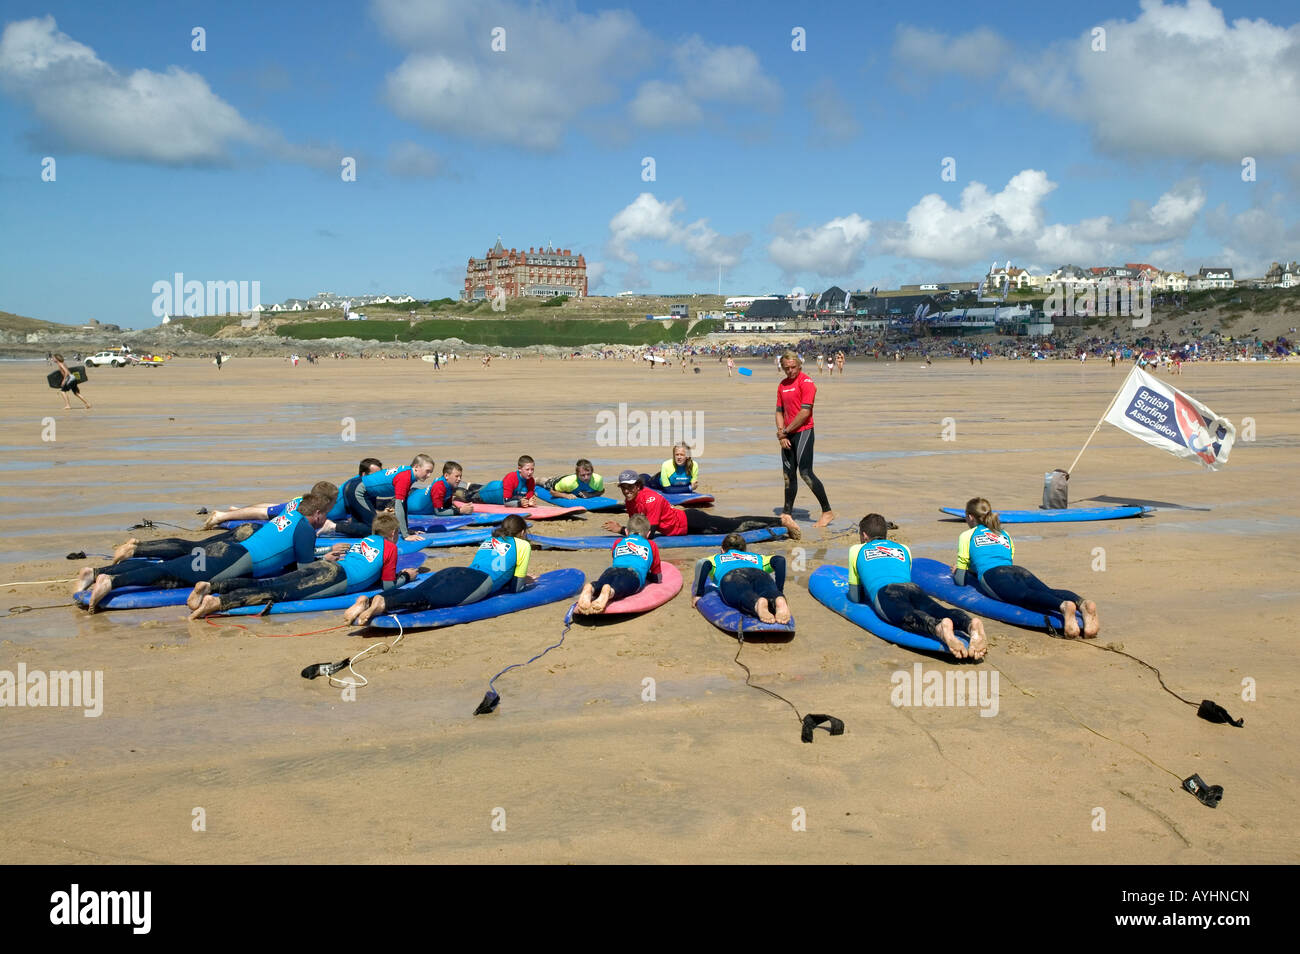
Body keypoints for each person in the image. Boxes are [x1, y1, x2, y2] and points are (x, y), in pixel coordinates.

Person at [77, 493, 333, 612]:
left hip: (228, 549)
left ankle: (98, 572)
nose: (325, 521)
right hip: (232, 561)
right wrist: (328, 558)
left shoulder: (289, 515)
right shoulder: (306, 530)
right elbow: (303, 571)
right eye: (325, 516)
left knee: (174, 567)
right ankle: (111, 581)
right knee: (167, 570)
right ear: (318, 513)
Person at [191, 512, 413, 619]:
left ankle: (213, 586)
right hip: (335, 579)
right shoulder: (391, 548)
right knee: (279, 593)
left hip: (326, 567)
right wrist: (406, 577)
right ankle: (217, 603)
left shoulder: (364, 540)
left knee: (273, 583)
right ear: (393, 534)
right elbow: (387, 587)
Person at [345, 514, 531, 625]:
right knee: (427, 600)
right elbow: (516, 589)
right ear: (522, 533)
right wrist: (525, 581)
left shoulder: (490, 540)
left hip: (456, 571)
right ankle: (382, 605)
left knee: (419, 590)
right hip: (477, 582)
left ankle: (368, 601)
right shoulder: (523, 545)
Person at [849, 513, 987, 660]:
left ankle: (939, 628)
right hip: (912, 588)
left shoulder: (856, 550)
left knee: (906, 615)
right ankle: (970, 624)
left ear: (864, 536)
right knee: (937, 609)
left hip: (886, 591)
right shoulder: (903, 549)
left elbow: (855, 597)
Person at [955, 497, 1099, 638]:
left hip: (993, 575)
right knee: (1048, 591)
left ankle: (1063, 606)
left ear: (970, 517)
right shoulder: (1003, 534)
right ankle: (1082, 603)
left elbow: (960, 580)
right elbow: (1003, 558)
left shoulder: (966, 535)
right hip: (1018, 570)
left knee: (1024, 595)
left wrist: (960, 571)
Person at [603, 471, 799, 540]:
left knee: (734, 526)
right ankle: (779, 522)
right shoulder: (630, 501)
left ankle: (780, 521)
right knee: (730, 527)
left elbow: (649, 534)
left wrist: (621, 530)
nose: (626, 490)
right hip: (684, 529)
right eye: (623, 487)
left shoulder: (650, 499)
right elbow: (637, 526)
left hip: (690, 522)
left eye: (630, 487)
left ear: (638, 485)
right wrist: (626, 529)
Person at [776, 352, 834, 528]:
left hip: (803, 432)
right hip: (786, 434)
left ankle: (827, 512)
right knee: (788, 475)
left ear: (799, 365)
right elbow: (779, 411)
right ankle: (787, 513)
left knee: (806, 473)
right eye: (786, 368)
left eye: (793, 367)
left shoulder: (806, 383)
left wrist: (785, 431)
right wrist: (781, 434)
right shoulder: (782, 385)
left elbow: (804, 413)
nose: (790, 371)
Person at [691, 533, 790, 624]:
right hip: (759, 573)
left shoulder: (717, 558)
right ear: (745, 550)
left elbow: (703, 563)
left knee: (743, 593)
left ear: (722, 550)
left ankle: (756, 604)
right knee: (766, 590)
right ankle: (778, 598)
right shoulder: (757, 557)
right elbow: (780, 560)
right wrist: (779, 590)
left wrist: (698, 594)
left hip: (733, 576)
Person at [575, 515, 661, 614]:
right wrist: (650, 576)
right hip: (633, 574)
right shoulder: (651, 545)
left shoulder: (619, 541)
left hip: (612, 570)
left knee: (602, 583)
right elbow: (656, 575)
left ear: (627, 532)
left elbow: (614, 556)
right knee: (620, 587)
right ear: (648, 533)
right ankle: (610, 591)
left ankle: (592, 587)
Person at [201, 479, 342, 530]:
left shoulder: (305, 500)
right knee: (265, 513)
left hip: (294, 503)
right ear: (326, 502)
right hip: (290, 512)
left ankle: (235, 512)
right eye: (334, 501)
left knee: (269, 508)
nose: (336, 503)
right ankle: (222, 516)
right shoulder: (316, 511)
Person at [354, 455, 435, 539]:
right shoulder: (405, 477)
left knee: (373, 523)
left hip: (367, 492)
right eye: (427, 471)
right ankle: (339, 527)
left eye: (431, 472)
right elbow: (399, 508)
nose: (429, 475)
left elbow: (404, 506)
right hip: (359, 491)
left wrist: (406, 530)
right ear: (416, 467)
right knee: (374, 526)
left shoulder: (409, 474)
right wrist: (406, 536)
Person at [408, 461, 475, 515]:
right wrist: (460, 511)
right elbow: (439, 512)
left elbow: (447, 506)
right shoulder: (439, 487)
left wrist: (461, 508)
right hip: (408, 501)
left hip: (416, 493)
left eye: (460, 476)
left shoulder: (450, 486)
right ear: (446, 476)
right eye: (456, 476)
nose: (459, 479)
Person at [474, 455, 539, 508]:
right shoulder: (511, 477)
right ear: (519, 469)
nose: (530, 472)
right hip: (486, 493)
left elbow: (527, 497)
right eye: (527, 469)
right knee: (467, 497)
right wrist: (519, 504)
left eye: (532, 469)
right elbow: (506, 502)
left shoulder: (531, 481)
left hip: (498, 487)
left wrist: (530, 501)